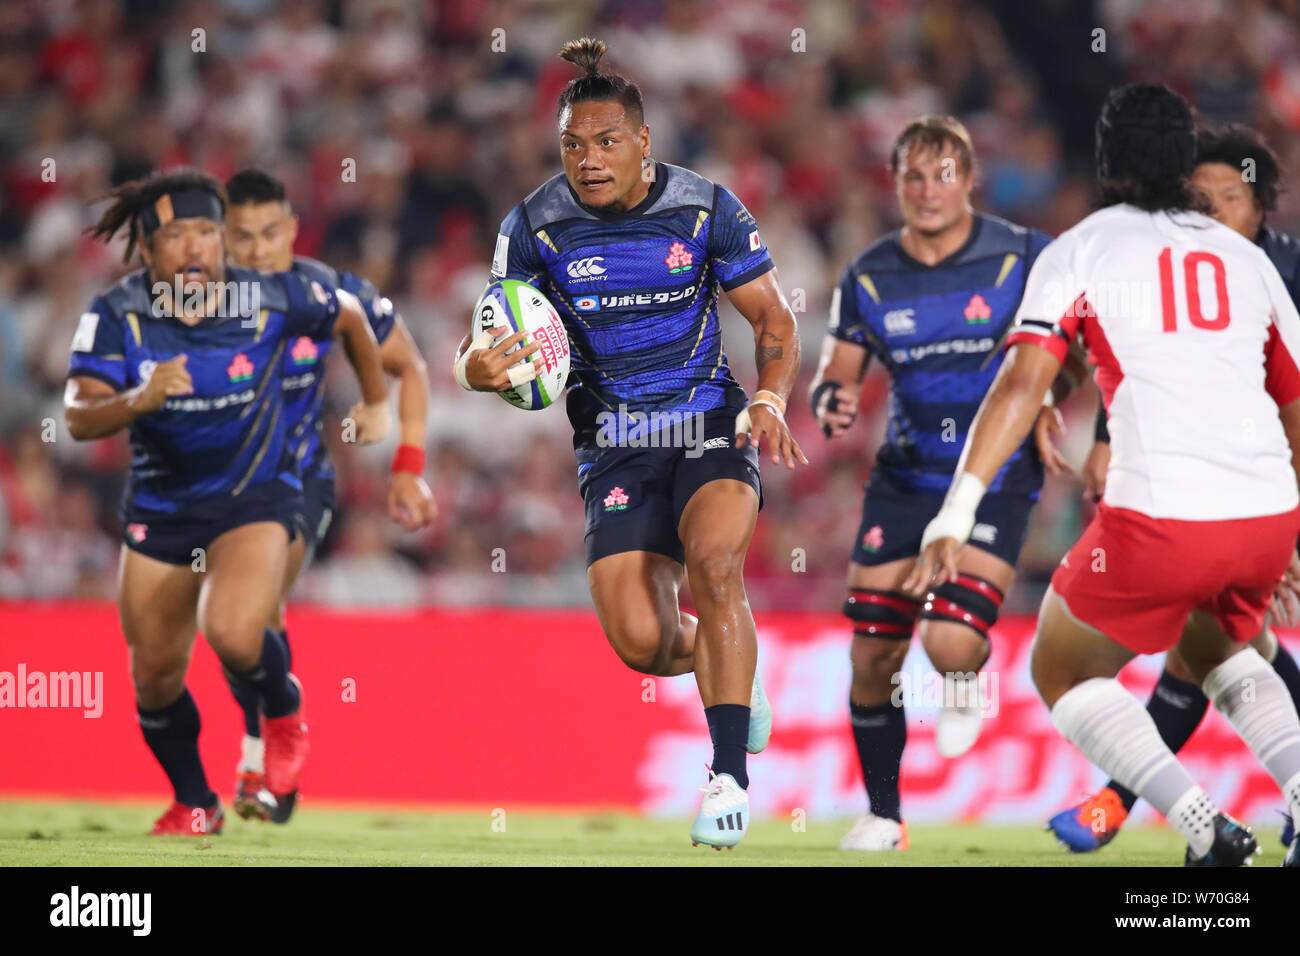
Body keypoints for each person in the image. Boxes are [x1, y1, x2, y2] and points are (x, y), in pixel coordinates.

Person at [909, 84, 1300, 866]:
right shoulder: (1245, 260)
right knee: (1225, 648)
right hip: (1265, 516)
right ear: (1188, 163)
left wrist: (957, 511)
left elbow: (1022, 383)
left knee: (1062, 667)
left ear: (1106, 161)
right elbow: (1294, 401)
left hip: (1163, 518)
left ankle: (1207, 831)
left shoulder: (1083, 248)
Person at [454, 37, 807, 849]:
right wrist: (478, 372)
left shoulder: (707, 207)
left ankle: (727, 780)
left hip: (709, 421)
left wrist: (768, 397)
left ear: (644, 141)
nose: (589, 159)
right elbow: (491, 339)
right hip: (612, 440)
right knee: (643, 645)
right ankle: (736, 677)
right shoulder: (534, 227)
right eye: (573, 145)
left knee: (716, 566)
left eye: (607, 141)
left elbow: (774, 321)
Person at [65, 168, 390, 834]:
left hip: (254, 497)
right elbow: (77, 414)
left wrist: (376, 400)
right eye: (177, 235)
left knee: (235, 629)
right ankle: (195, 802)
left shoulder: (270, 296)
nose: (194, 248)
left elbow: (352, 317)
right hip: (161, 511)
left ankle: (284, 715)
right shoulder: (117, 312)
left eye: (206, 233)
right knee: (153, 677)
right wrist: (139, 399)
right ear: (148, 251)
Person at [809, 115, 1078, 851]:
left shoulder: (1027, 255)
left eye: (944, 174)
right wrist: (828, 399)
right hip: (904, 477)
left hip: (994, 477)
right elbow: (836, 368)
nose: (929, 191)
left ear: (970, 180)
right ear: (895, 183)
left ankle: (966, 682)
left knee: (951, 640)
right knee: (871, 652)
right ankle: (885, 815)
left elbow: (1081, 347)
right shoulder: (867, 273)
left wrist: (1052, 397)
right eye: (914, 177)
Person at [1048, 123, 1300, 853]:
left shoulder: (1280, 276)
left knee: (1213, 649)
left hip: (1262, 490)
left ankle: (1126, 806)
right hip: (1219, 496)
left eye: (1234, 195)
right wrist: (1102, 441)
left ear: (1263, 206)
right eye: (1203, 195)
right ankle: (1141, 807)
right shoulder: (1167, 267)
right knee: (1215, 645)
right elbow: (1135, 361)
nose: (1217, 209)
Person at [221, 168, 436, 822]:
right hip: (223, 485)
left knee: (253, 606)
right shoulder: (198, 305)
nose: (258, 250)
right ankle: (268, 747)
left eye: (269, 233)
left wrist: (407, 464)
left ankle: (267, 752)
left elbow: (410, 366)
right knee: (235, 626)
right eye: (242, 238)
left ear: (290, 228)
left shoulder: (333, 292)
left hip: (299, 480)